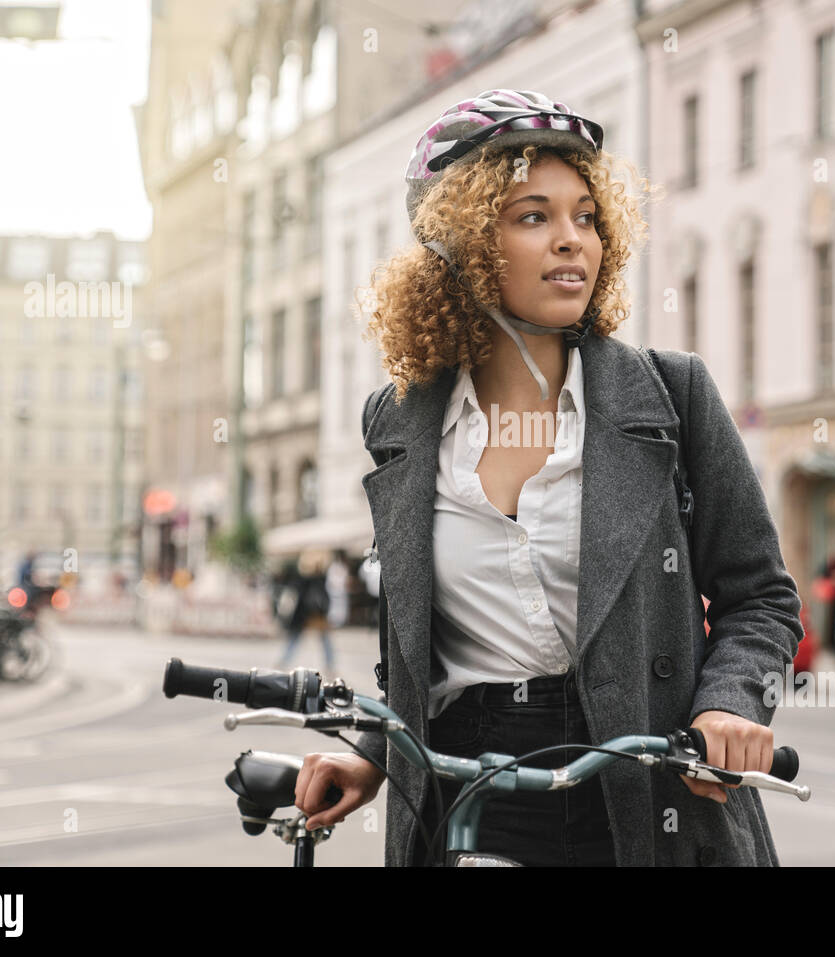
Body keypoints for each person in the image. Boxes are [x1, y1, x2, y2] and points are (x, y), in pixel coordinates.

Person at [292, 89, 803, 867]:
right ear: (458, 244)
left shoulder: (673, 395)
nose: (573, 241)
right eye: (533, 216)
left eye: (586, 217)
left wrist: (730, 703)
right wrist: (373, 747)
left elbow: (761, 597)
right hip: (463, 786)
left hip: (643, 774)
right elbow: (412, 650)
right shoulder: (397, 421)